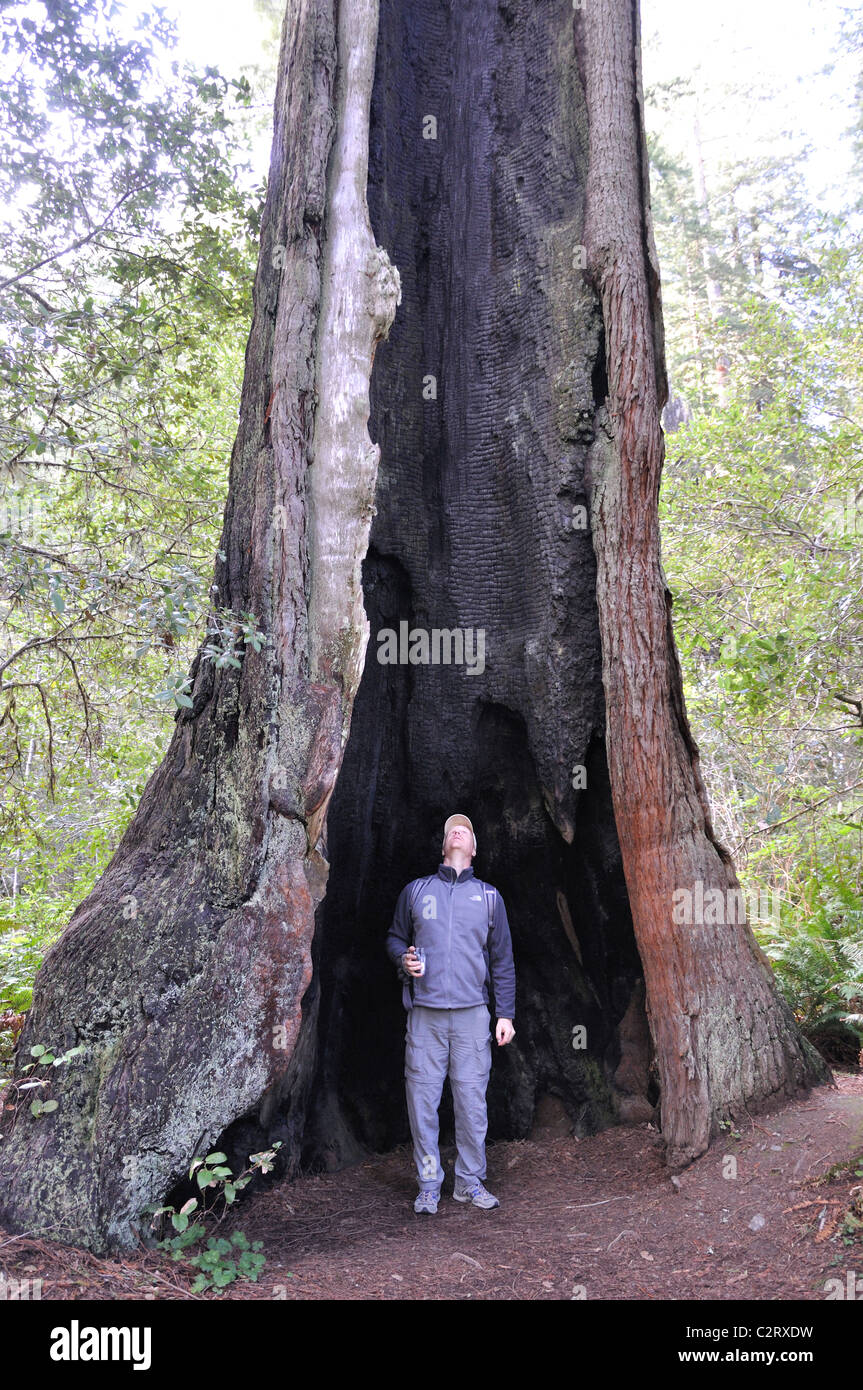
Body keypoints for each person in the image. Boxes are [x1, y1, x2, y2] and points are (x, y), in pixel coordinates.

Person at [386, 813, 516, 1214]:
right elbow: (395, 939)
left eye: (466, 830)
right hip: (424, 1015)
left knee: (472, 1101)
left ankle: (469, 1181)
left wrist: (505, 1015)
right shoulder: (416, 891)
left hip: (473, 1015)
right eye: (450, 831)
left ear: (474, 848)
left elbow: (503, 961)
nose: (457, 831)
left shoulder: (490, 898)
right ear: (443, 847)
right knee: (422, 1101)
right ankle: (428, 1183)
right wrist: (402, 961)